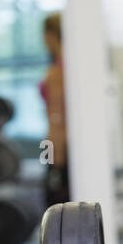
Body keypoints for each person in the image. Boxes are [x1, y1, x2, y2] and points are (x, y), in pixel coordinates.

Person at [40, 12, 69, 206]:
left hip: (57, 147)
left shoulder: (57, 71)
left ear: (51, 35)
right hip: (66, 145)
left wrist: (53, 161)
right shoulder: (71, 64)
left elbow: (56, 118)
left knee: (55, 207)